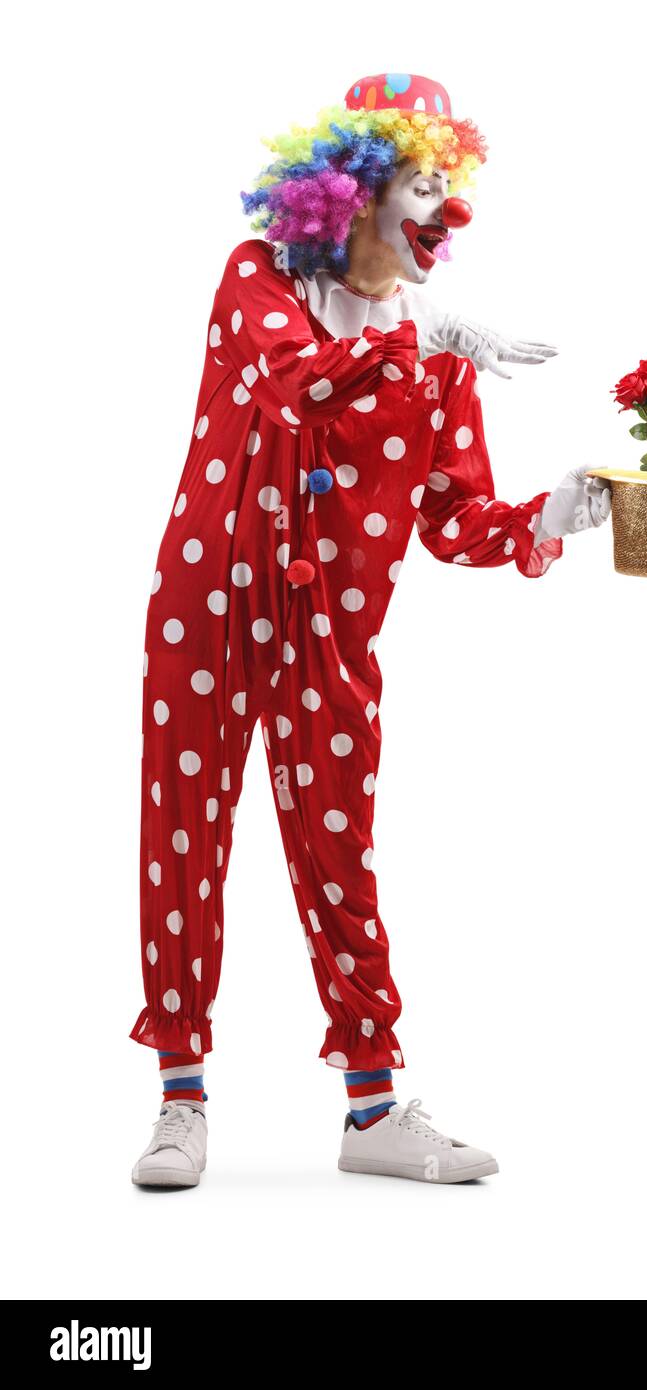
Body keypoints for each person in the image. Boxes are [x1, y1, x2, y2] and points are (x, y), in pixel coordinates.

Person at [131, 72, 611, 1189]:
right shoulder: (257, 281)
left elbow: (452, 517)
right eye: (417, 182)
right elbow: (294, 386)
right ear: (345, 195)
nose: (444, 205)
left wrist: (550, 513)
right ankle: (179, 1096)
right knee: (184, 842)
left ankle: (373, 1108)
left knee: (339, 855)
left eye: (449, 183)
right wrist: (413, 338)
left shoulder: (442, 356)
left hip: (331, 632)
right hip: (208, 606)